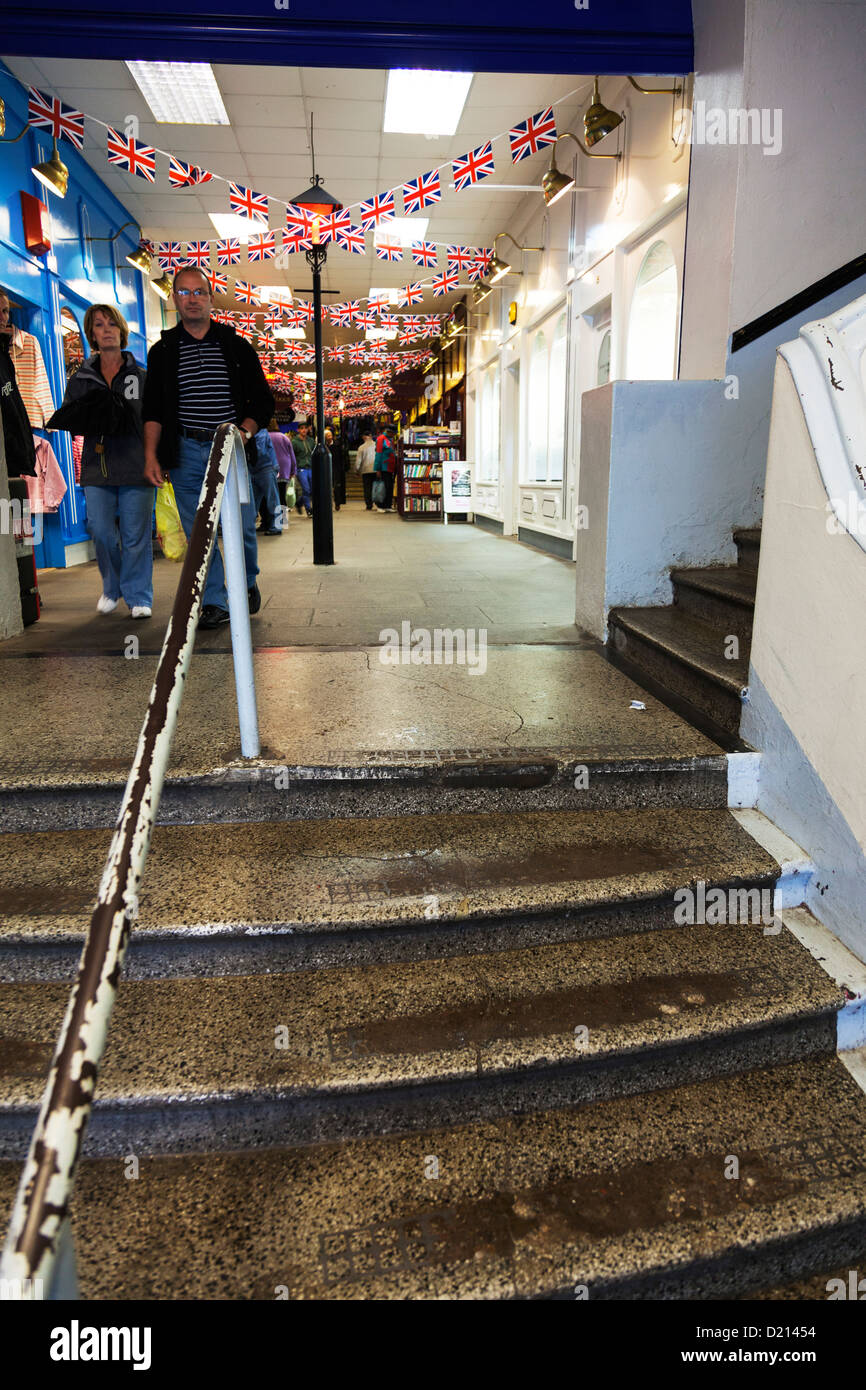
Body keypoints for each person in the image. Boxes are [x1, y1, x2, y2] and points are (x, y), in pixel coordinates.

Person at [142, 266, 274, 629]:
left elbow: (262, 402)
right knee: (201, 529)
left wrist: (243, 433)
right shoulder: (163, 351)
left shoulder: (235, 345)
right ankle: (215, 600)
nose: (192, 298)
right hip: (183, 451)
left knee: (243, 526)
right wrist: (151, 455)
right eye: (184, 292)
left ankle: (246, 582)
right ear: (174, 299)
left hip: (230, 449)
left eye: (199, 291)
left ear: (211, 297)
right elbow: (152, 410)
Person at [56, 304, 153, 617]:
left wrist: (157, 459)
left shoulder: (141, 377)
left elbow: (153, 421)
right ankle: (112, 588)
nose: (107, 329)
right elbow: (72, 415)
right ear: (92, 334)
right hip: (97, 466)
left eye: (112, 324)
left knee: (135, 535)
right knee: (100, 530)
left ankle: (139, 596)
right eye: (99, 325)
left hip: (135, 464)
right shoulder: (82, 378)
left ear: (121, 330)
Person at [0, 292, 37, 481]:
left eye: (5, 311)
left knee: (15, 510)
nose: (3, 317)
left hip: (10, 459)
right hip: (5, 458)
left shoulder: (4, 355)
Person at [250, 426, 282, 535]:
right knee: (253, 501)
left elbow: (263, 449)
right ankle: (249, 526)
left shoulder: (262, 432)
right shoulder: (261, 432)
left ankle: (279, 526)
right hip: (256, 469)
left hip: (266, 468)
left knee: (273, 499)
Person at [269, 421, 297, 523]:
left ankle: (272, 520)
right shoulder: (284, 437)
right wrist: (293, 470)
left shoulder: (265, 436)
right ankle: (283, 520)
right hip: (284, 468)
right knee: (281, 493)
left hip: (270, 468)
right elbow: (292, 455)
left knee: (271, 496)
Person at [374, 426, 398, 512]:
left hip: (390, 467)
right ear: (389, 432)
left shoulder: (389, 440)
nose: (394, 435)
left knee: (389, 487)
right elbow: (379, 454)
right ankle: (380, 506)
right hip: (384, 467)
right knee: (383, 487)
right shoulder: (381, 439)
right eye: (393, 433)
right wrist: (377, 469)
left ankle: (388, 505)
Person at [292, 422, 313, 517]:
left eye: (305, 428)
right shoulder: (295, 442)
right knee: (306, 489)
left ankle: (299, 503)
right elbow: (292, 456)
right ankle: (308, 509)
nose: (304, 430)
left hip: (311, 468)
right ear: (298, 430)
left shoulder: (311, 441)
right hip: (301, 468)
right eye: (302, 428)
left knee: (311, 490)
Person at [324, 427, 346, 510]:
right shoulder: (324, 446)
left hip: (336, 468)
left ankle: (337, 502)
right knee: (327, 487)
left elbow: (341, 457)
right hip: (326, 468)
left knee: (336, 486)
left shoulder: (337, 444)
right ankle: (327, 503)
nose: (329, 436)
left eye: (330, 435)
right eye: (327, 435)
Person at [354, 429, 376, 510]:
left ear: (364, 437)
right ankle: (378, 501)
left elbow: (358, 461)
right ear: (371, 436)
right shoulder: (377, 445)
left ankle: (369, 504)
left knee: (367, 488)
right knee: (376, 486)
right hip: (376, 469)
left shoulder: (361, 447)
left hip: (366, 471)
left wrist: (357, 470)